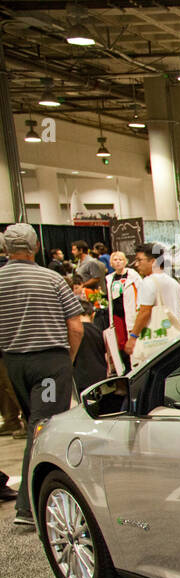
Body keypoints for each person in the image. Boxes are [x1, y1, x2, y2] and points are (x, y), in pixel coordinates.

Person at [0, 223, 83, 529]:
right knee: (43, 427)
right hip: (49, 364)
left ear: (6, 249)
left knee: (34, 422)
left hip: (14, 364)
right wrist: (67, 360)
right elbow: (75, 327)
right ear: (35, 247)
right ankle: (28, 506)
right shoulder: (51, 279)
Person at [126, 243, 180, 363]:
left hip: (155, 341)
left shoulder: (148, 282)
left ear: (153, 261)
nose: (136, 264)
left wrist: (133, 337)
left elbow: (144, 312)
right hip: (174, 337)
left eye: (139, 260)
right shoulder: (173, 282)